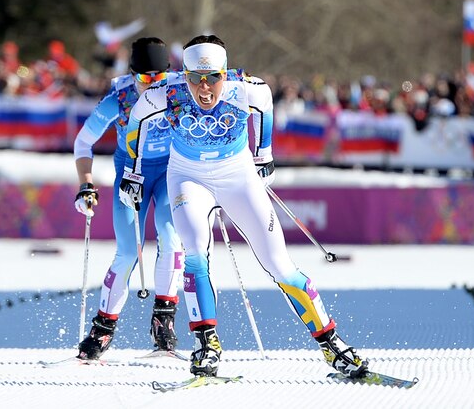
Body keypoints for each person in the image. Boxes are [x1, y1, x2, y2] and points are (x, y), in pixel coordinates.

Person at [120, 34, 369, 378]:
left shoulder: (247, 89)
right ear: (185, 74)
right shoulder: (166, 93)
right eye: (195, 78)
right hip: (188, 177)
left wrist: (264, 153)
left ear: (225, 73)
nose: (204, 88)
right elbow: (136, 122)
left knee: (280, 264)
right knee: (194, 252)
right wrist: (132, 173)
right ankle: (206, 345)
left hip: (237, 175)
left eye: (213, 78)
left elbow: (265, 108)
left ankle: (331, 343)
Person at [73, 37, 183, 360]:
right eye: (146, 78)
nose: (154, 85)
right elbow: (83, 143)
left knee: (170, 238)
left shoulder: (178, 91)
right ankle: (103, 328)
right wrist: (86, 183)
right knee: (127, 252)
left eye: (160, 77)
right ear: (133, 74)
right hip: (131, 175)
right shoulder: (119, 100)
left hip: (168, 173)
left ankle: (164, 321)